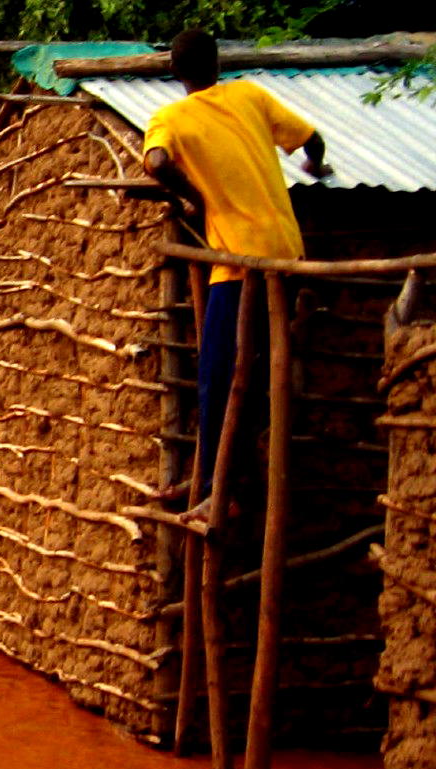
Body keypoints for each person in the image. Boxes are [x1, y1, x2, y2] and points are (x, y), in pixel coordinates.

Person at [143, 28, 330, 513]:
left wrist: (195, 197)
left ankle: (215, 491)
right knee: (259, 376)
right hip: (287, 254)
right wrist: (316, 168)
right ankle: (217, 479)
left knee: (218, 378)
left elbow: (156, 162)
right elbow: (314, 140)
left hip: (239, 266)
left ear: (173, 71)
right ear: (219, 61)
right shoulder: (250, 94)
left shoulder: (171, 118)